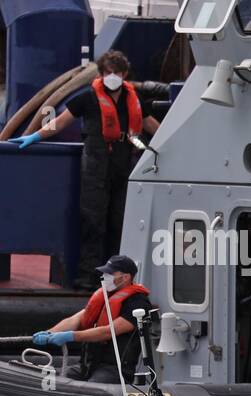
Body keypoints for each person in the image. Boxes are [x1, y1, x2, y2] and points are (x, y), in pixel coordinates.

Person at [12, 51, 167, 290]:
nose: (112, 77)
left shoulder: (134, 99)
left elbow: (150, 125)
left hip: (123, 163)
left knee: (120, 221)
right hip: (95, 165)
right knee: (93, 220)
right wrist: (35, 136)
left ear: (124, 74)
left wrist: (169, 143)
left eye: (116, 73)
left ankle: (118, 275)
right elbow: (60, 122)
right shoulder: (87, 98)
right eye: (108, 73)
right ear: (102, 74)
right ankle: (88, 276)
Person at [33, 255, 151, 384]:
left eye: (110, 273)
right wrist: (50, 333)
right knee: (46, 379)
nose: (105, 276)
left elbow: (108, 331)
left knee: (91, 388)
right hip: (87, 366)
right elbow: (76, 319)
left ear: (126, 277)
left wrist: (71, 336)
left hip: (113, 369)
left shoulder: (138, 303)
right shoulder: (105, 295)